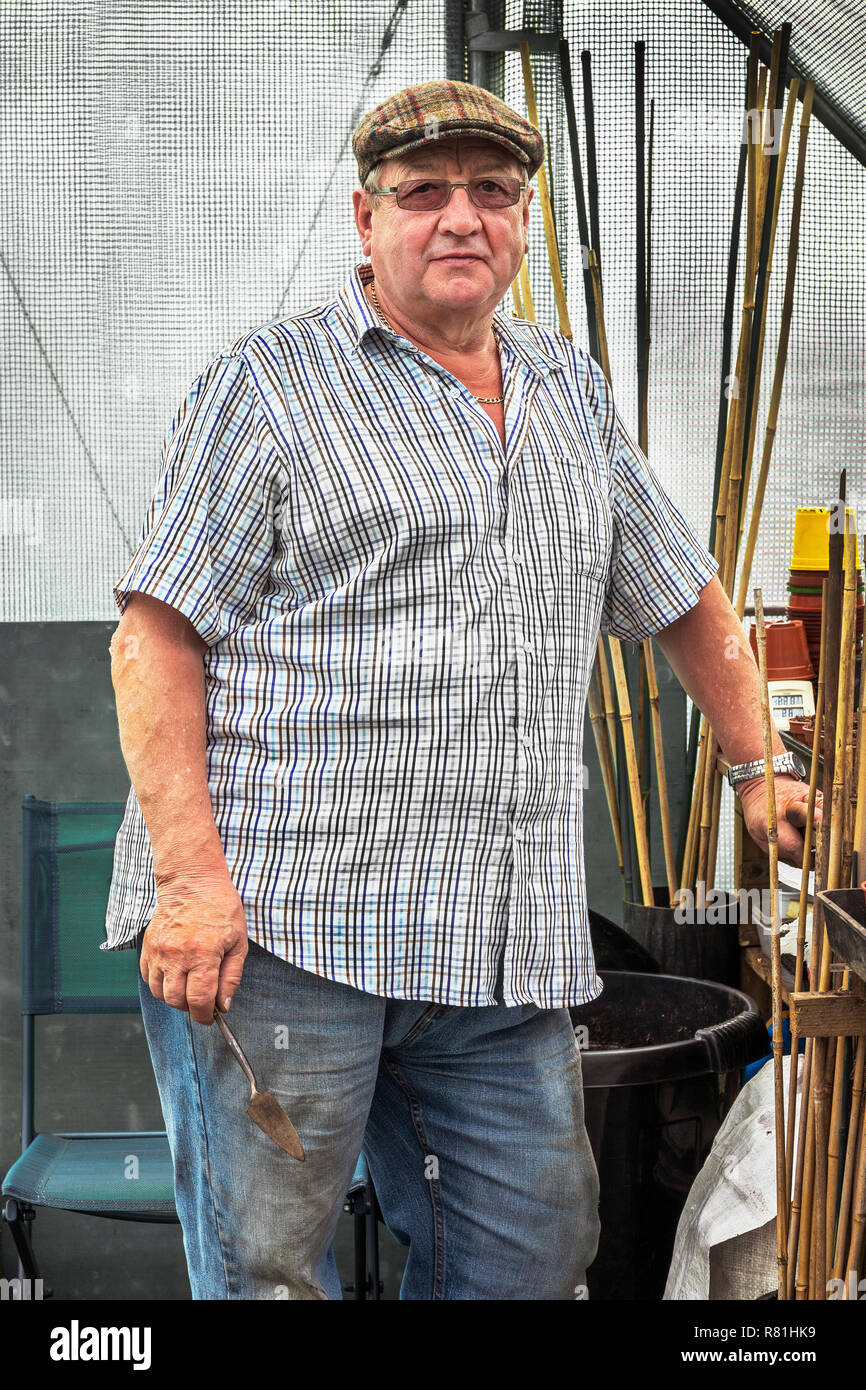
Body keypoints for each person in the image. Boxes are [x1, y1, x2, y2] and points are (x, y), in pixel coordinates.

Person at [104, 79, 821, 1300]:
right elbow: (154, 638)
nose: (458, 218)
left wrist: (757, 767)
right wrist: (187, 881)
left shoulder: (566, 393)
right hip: (282, 935)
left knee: (531, 1261)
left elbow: (683, 593)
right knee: (269, 1274)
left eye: (490, 193)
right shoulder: (269, 388)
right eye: (422, 192)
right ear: (364, 218)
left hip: (498, 950)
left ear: (520, 223)